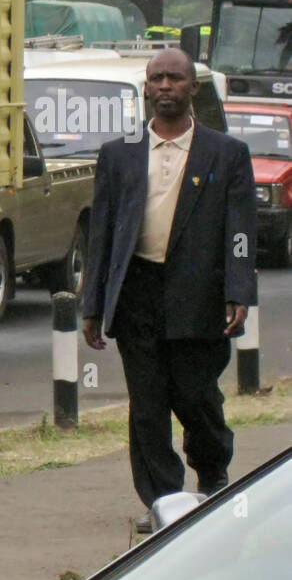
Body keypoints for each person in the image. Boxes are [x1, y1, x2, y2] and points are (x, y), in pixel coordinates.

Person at [83, 48, 257, 532]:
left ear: (192, 88)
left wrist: (239, 290)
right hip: (137, 293)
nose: (165, 86)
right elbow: (103, 233)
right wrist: (93, 303)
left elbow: (240, 231)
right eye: (156, 78)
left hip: (199, 296)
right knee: (148, 404)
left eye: (174, 79)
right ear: (145, 86)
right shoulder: (118, 154)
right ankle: (162, 499)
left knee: (196, 395)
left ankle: (213, 476)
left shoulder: (226, 154)